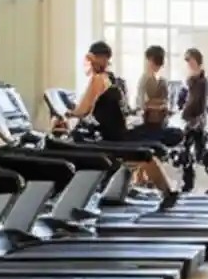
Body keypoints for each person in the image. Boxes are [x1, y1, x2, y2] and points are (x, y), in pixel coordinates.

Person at [62, 41, 179, 207]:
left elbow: (83, 110)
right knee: (146, 154)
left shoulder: (98, 79)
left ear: (97, 58)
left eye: (91, 59)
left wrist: (65, 114)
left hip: (114, 137)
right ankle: (169, 192)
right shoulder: (113, 78)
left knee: (144, 154)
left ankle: (168, 192)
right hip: (121, 131)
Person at [181, 47, 208, 195]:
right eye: (188, 61)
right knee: (189, 151)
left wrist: (195, 118)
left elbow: (200, 103)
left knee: (197, 152)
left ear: (197, 61)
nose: (189, 64)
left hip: (197, 120)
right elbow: (188, 100)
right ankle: (189, 184)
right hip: (190, 119)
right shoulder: (191, 79)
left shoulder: (202, 81)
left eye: (190, 60)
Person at [127, 45, 185, 148]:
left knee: (178, 134)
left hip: (159, 125)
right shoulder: (144, 79)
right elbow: (143, 105)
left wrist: (158, 105)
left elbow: (165, 104)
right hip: (148, 126)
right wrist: (157, 105)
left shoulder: (161, 81)